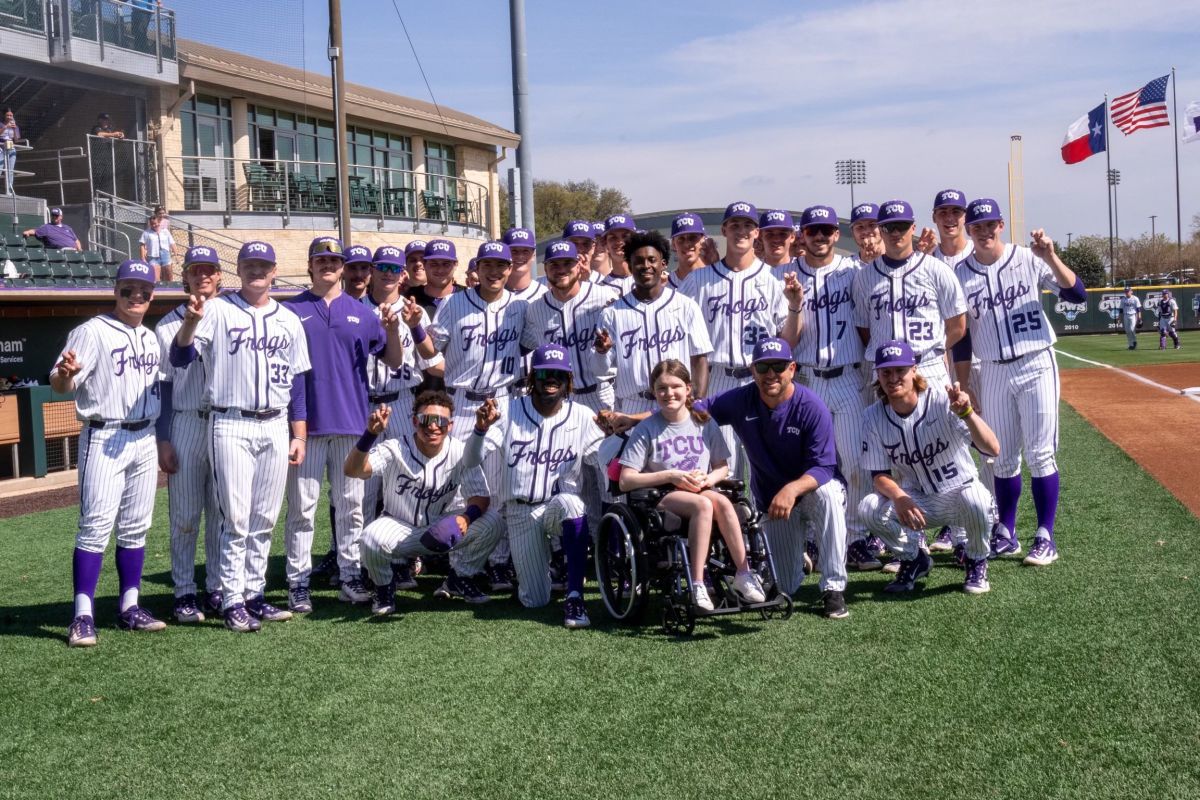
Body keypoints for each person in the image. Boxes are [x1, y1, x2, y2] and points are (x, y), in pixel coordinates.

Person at [170, 241, 311, 633]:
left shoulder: (289, 319)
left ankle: (254, 593)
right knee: (235, 516)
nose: (256, 271)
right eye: (249, 264)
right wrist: (190, 323)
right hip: (230, 421)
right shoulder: (216, 309)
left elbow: (298, 379)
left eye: (263, 265)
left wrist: (298, 433)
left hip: (275, 423)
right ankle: (232, 598)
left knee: (265, 517)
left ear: (274, 270)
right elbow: (180, 360)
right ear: (239, 270)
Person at [953, 199, 1085, 566]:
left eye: (990, 224)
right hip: (993, 368)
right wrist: (964, 385)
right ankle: (1006, 532)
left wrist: (1051, 258)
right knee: (1001, 457)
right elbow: (961, 338)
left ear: (1001, 225)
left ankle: (1045, 536)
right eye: (977, 226)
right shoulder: (961, 273)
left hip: (1036, 361)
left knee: (1041, 454)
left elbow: (1077, 294)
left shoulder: (1027, 258)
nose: (984, 231)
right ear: (969, 230)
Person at [282, 237, 405, 612]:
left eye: (334, 260)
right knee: (302, 509)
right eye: (321, 260)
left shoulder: (363, 312)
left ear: (343, 266)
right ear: (310, 265)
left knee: (351, 506)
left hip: (352, 422)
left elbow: (394, 360)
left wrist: (394, 329)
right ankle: (298, 582)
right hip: (307, 425)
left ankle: (350, 576)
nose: (328, 266)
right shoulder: (290, 310)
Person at [52, 259, 165, 647]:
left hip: (145, 437)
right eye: (128, 289)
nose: (137, 296)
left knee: (136, 526)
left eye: (144, 290)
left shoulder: (151, 337)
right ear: (115, 290)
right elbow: (60, 384)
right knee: (95, 526)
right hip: (105, 436)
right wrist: (66, 374)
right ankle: (82, 615)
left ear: (152, 294)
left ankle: (130, 606)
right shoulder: (91, 332)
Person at [699, 337, 850, 619]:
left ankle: (833, 588)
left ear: (792, 368)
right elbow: (693, 411)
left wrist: (791, 490)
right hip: (773, 502)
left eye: (778, 366)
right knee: (783, 588)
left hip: (810, 491)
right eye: (763, 367)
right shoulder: (742, 399)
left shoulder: (811, 406)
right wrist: (637, 420)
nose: (771, 374)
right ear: (753, 370)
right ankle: (799, 560)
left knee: (829, 493)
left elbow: (824, 467)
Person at [466, 345, 605, 628]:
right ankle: (540, 571)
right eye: (543, 374)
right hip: (520, 513)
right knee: (534, 600)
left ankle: (575, 595)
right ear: (532, 378)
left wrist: (616, 433)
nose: (550, 379)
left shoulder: (581, 415)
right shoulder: (507, 409)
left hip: (557, 505)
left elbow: (603, 458)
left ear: (568, 380)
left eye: (558, 374)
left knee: (574, 503)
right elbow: (471, 459)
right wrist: (480, 429)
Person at [617, 359, 767, 611]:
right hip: (663, 496)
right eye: (661, 388)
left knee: (723, 502)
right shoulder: (646, 429)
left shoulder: (704, 422)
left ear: (688, 389)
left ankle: (743, 574)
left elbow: (722, 467)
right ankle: (698, 583)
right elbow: (625, 480)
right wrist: (670, 476)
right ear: (654, 392)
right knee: (703, 505)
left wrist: (709, 479)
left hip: (702, 488)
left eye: (675, 386)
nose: (668, 393)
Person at [859, 340, 1000, 593]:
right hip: (918, 503)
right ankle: (914, 559)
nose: (893, 378)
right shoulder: (873, 416)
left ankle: (977, 560)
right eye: (886, 372)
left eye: (900, 370)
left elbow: (993, 448)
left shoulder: (941, 402)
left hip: (960, 497)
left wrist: (968, 413)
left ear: (914, 370)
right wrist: (900, 496)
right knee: (869, 506)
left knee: (977, 497)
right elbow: (878, 475)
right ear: (877, 375)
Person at [347, 392, 504, 614]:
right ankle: (384, 587)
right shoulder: (394, 448)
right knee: (370, 539)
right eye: (426, 420)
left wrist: (465, 518)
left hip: (438, 527)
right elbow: (353, 470)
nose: (433, 427)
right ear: (414, 421)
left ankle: (460, 578)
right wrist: (370, 434)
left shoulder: (460, 451)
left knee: (494, 522)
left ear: (450, 425)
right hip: (397, 526)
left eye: (440, 421)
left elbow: (480, 497)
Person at [785, 205, 879, 571]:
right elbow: (786, 341)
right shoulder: (787, 276)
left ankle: (855, 538)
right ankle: (810, 538)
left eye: (826, 231)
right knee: (808, 465)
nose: (820, 237)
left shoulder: (854, 272)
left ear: (836, 236)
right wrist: (794, 305)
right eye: (813, 231)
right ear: (802, 236)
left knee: (855, 462)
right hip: (807, 379)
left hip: (848, 377)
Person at [678, 200, 798, 479]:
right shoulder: (700, 280)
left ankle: (768, 524)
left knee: (765, 466)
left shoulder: (772, 280)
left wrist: (795, 308)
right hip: (716, 377)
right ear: (724, 230)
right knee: (722, 469)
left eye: (748, 225)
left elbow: (788, 340)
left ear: (756, 233)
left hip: (760, 380)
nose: (741, 231)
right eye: (735, 225)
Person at [154, 246, 224, 623]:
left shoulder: (231, 316)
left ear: (218, 276)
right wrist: (163, 438)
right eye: (195, 270)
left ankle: (215, 586)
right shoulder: (166, 324)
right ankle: (183, 590)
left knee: (221, 512)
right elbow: (163, 386)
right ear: (185, 277)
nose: (202, 276)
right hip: (186, 421)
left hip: (225, 422)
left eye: (209, 270)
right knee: (184, 515)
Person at [594, 230, 713, 415]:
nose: (646, 266)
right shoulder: (611, 314)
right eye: (638, 261)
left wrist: (698, 401)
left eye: (652, 260)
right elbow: (600, 370)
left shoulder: (686, 306)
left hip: (677, 402)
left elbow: (699, 358)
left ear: (663, 264)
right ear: (630, 267)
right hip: (634, 403)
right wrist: (602, 351)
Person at [853, 199, 967, 387]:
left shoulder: (937, 269)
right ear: (880, 230)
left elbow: (958, 325)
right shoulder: (864, 277)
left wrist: (935, 348)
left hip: (929, 365)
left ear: (913, 228)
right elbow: (864, 329)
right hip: (887, 370)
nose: (896, 232)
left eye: (902, 226)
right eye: (889, 227)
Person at [428, 240, 528, 437]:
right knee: (457, 466)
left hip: (504, 401)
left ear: (509, 269)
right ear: (478, 268)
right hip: (460, 402)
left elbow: (529, 345)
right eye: (487, 265)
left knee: (500, 467)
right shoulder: (452, 303)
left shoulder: (521, 306)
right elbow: (430, 352)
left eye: (500, 265)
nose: (494, 271)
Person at [405, 239, 464, 318]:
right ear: (425, 264)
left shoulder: (468, 296)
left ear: (455, 264)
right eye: (434, 264)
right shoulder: (408, 298)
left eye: (446, 264)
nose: (440, 270)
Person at [503, 226, 545, 302]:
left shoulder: (544, 295)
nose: (520, 256)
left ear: (534, 255)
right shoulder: (491, 293)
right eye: (514, 251)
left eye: (525, 251)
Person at [668, 212, 709, 287]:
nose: (687, 244)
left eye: (692, 238)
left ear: (703, 240)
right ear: (673, 244)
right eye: (681, 239)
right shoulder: (664, 285)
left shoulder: (716, 278)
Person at [600, 213, 636, 293]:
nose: (620, 242)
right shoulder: (600, 289)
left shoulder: (652, 280)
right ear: (605, 243)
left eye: (625, 236)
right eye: (613, 237)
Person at [139, 211, 176, 282]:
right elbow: (142, 245)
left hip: (165, 255)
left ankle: (167, 292)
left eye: (156, 223)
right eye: (152, 224)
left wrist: (176, 254)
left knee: (169, 277)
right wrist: (143, 258)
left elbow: (172, 242)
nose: (154, 225)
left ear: (159, 222)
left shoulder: (165, 231)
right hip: (153, 257)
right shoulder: (146, 233)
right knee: (156, 279)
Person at [2, 110, 20, 197]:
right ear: (4, 116)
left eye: (11, 115)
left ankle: (10, 190)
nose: (9, 117)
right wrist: (6, 127)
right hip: (1, 147)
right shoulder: (1, 124)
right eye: (8, 115)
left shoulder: (15, 126)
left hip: (11, 148)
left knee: (10, 170)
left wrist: (14, 129)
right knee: (0, 168)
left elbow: (16, 139)